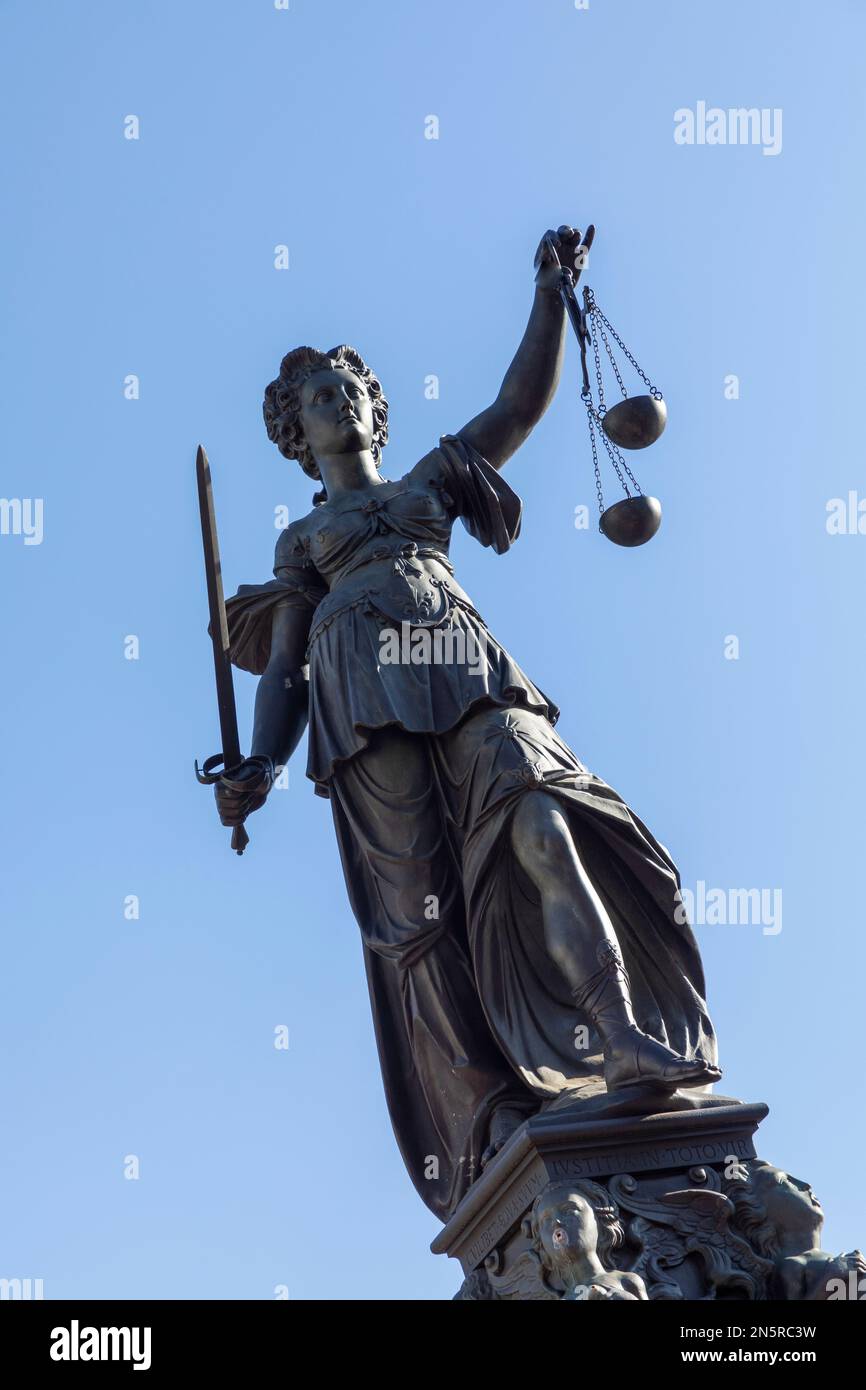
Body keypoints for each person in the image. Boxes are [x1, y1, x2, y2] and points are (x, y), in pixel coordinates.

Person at [214, 225, 721, 1221]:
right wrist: (261, 768)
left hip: (468, 675)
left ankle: (619, 1036)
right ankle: (484, 1110)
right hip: (364, 714)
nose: (337, 402)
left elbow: (519, 406)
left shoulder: (429, 487)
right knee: (420, 916)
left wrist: (547, 297)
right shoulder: (304, 540)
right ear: (294, 432)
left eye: (348, 389)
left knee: (542, 820)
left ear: (373, 411)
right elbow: (286, 666)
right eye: (316, 397)